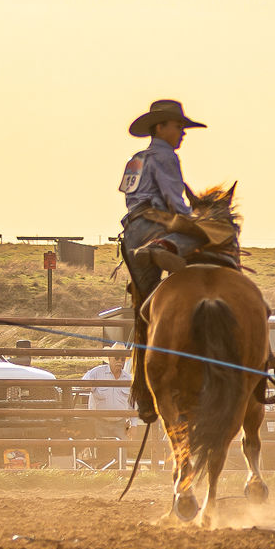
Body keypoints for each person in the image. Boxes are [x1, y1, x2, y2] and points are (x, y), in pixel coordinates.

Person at [117, 98, 209, 422]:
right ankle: (166, 247)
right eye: (178, 127)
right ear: (161, 127)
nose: (182, 134)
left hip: (131, 233)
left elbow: (129, 196)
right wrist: (197, 221)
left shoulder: (136, 159)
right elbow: (174, 200)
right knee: (204, 238)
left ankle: (144, 397)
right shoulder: (166, 156)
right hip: (155, 226)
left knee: (145, 319)